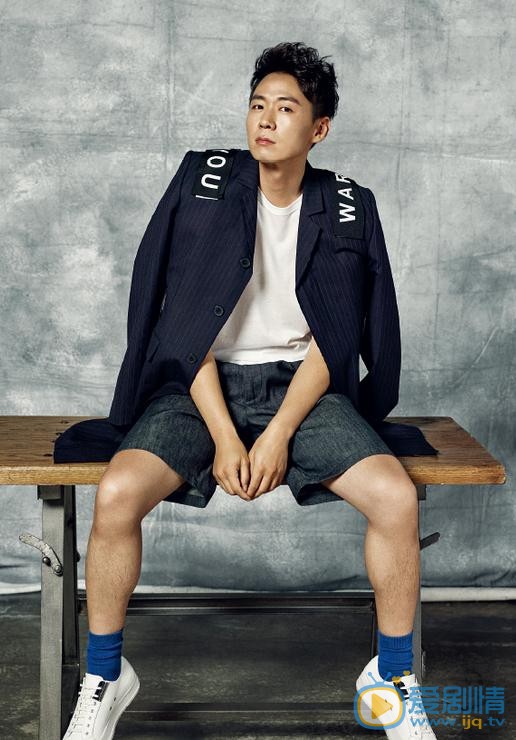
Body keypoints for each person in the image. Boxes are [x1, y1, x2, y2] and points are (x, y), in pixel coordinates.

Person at [62, 42, 437, 739]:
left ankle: (391, 677)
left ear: (318, 128)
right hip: (199, 385)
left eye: (285, 108)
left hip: (301, 389)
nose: (265, 119)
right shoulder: (204, 185)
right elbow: (180, 322)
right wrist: (227, 435)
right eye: (257, 104)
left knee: (394, 497)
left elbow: (338, 337)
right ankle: (106, 676)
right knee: (116, 493)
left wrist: (279, 432)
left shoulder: (348, 206)